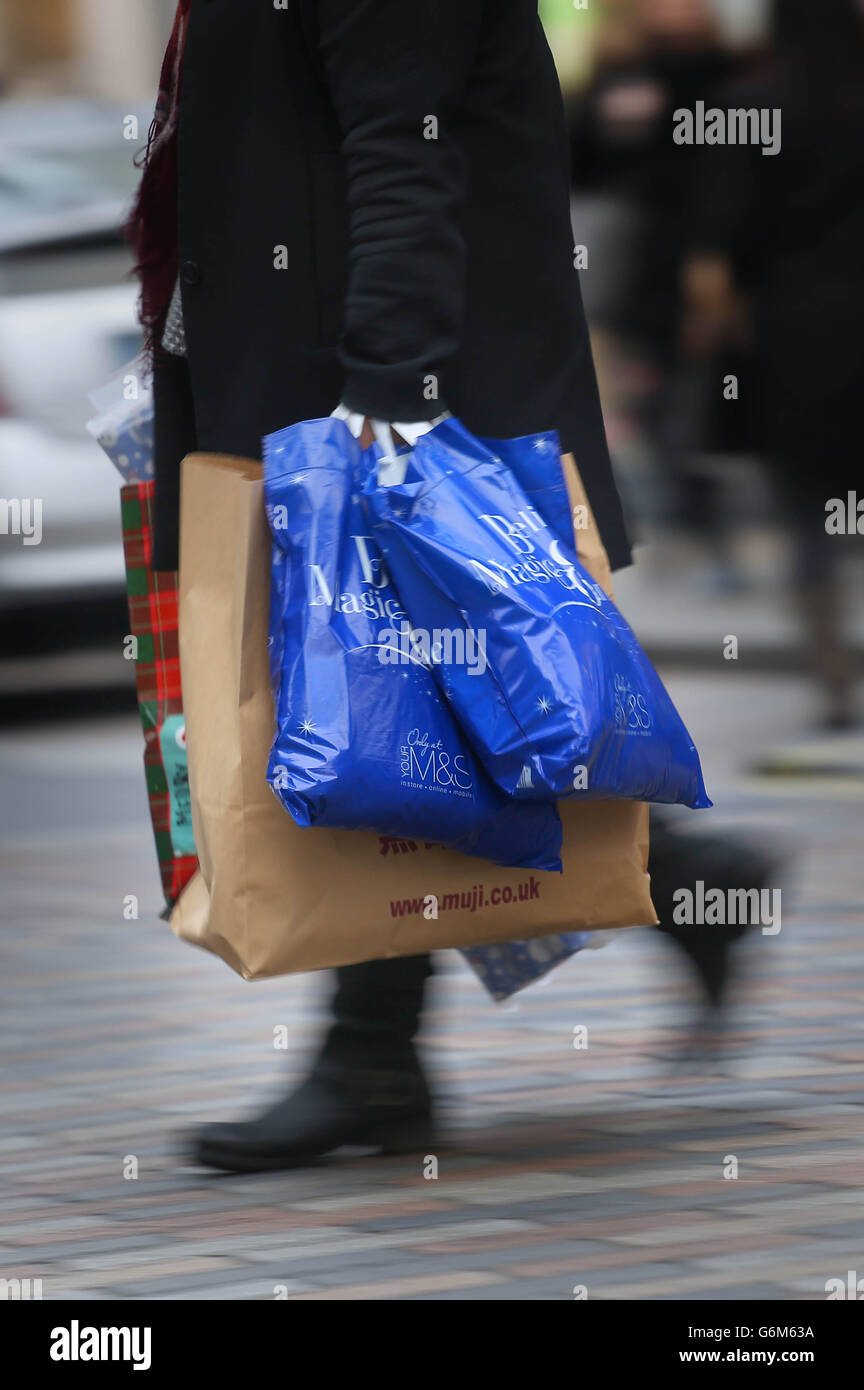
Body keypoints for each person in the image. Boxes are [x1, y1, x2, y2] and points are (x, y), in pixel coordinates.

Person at [128, 0, 631, 1173]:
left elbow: (409, 149)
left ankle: (369, 1061)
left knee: (395, 719)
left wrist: (387, 411)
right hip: (312, 376)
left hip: (391, 396)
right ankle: (374, 1059)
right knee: (403, 725)